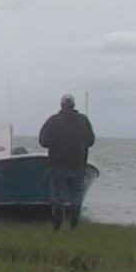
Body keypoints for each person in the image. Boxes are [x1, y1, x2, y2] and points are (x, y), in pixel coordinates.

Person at [38, 94, 95, 231]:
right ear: (74, 105)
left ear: (61, 105)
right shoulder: (83, 121)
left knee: (58, 196)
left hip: (58, 165)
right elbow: (91, 141)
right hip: (78, 165)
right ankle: (73, 224)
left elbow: (43, 141)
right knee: (76, 195)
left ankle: (57, 224)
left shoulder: (53, 121)